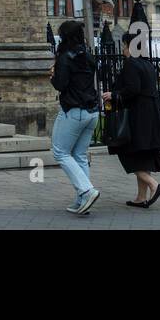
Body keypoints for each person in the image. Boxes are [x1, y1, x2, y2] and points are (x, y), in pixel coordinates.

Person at [102, 27, 160, 208]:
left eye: (124, 45)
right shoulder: (147, 64)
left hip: (138, 116)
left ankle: (153, 185)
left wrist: (113, 95)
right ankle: (141, 197)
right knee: (142, 154)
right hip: (151, 115)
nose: (123, 49)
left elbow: (133, 89)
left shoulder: (132, 63)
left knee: (128, 153)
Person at [49, 20, 100, 215]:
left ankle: (86, 191)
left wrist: (53, 76)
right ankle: (82, 200)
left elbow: (61, 84)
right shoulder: (87, 55)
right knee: (78, 155)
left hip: (75, 111)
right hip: (92, 111)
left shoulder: (65, 57)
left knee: (60, 152)